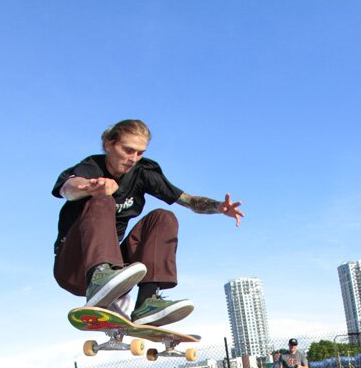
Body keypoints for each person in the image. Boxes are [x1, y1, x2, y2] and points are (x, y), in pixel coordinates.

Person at [52, 119, 243, 326]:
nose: (133, 159)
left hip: (116, 273)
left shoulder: (143, 173)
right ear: (109, 144)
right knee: (102, 199)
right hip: (73, 267)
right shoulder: (91, 167)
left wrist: (219, 208)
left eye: (139, 153)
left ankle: (146, 304)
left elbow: (189, 201)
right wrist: (90, 187)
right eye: (128, 150)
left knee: (163, 217)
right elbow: (67, 189)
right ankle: (99, 277)